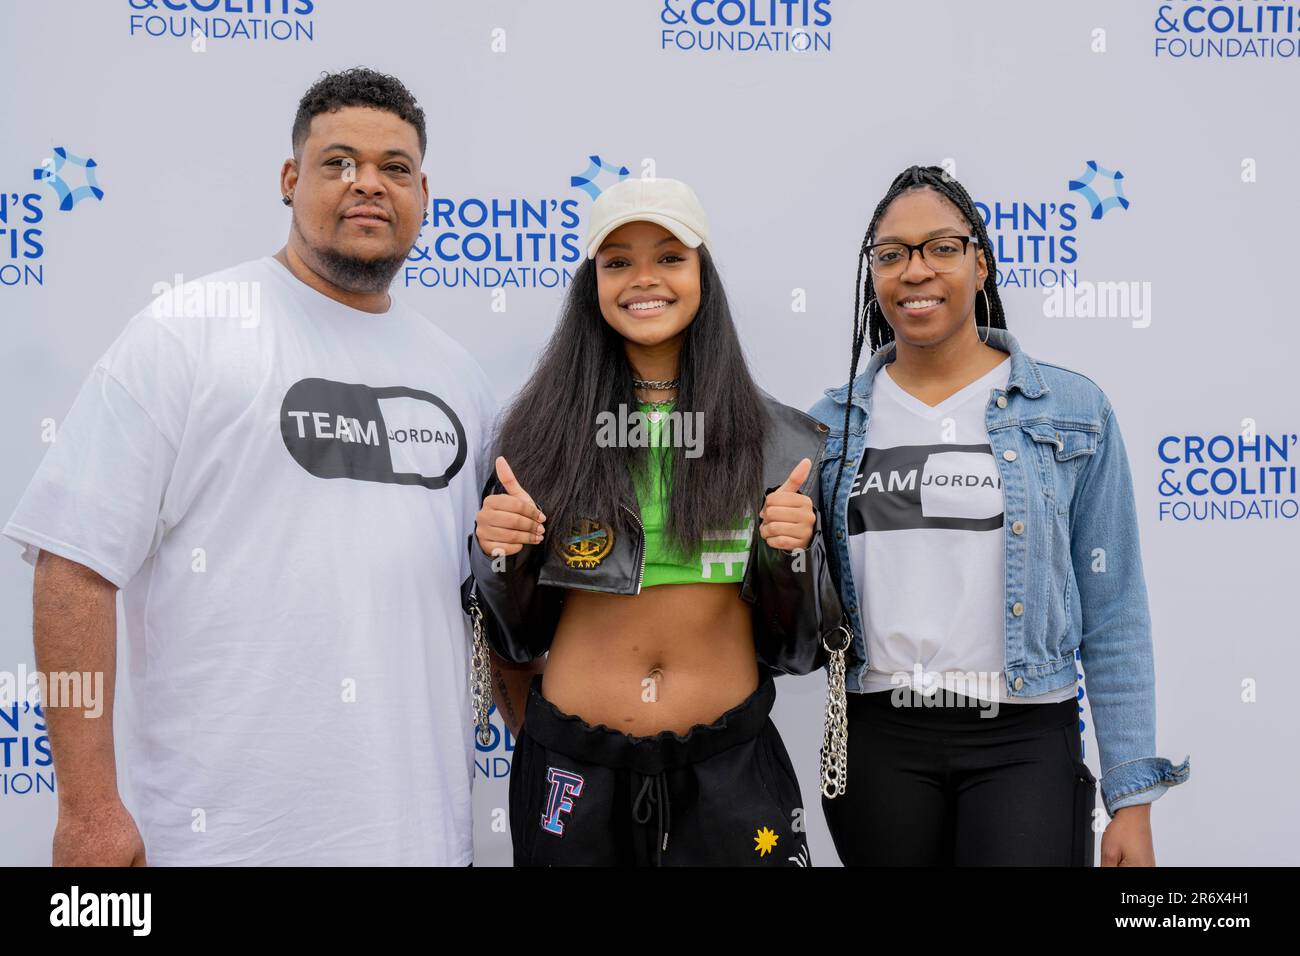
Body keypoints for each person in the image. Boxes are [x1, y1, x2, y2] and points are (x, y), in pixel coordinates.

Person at [3, 67, 496, 865]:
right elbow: (72, 569)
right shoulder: (186, 335)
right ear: (290, 179)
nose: (367, 184)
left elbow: (490, 603)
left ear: (424, 192)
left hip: (423, 843)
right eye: (338, 162)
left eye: (394, 169)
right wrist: (88, 809)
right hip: (224, 846)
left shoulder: (461, 380)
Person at [807, 165, 1190, 866]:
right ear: (874, 276)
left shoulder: (1073, 412)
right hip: (879, 741)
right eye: (891, 254)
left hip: (1023, 738)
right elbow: (787, 599)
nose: (914, 270)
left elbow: (1115, 612)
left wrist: (1129, 799)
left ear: (979, 263)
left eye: (940, 248)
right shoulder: (829, 427)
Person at [465, 177, 846, 866]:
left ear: (704, 274)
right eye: (617, 262)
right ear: (593, 284)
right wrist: (500, 553)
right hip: (575, 767)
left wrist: (789, 554)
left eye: (670, 257)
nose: (645, 278)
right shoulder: (536, 437)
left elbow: (798, 652)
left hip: (730, 770)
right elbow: (515, 641)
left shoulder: (784, 442)